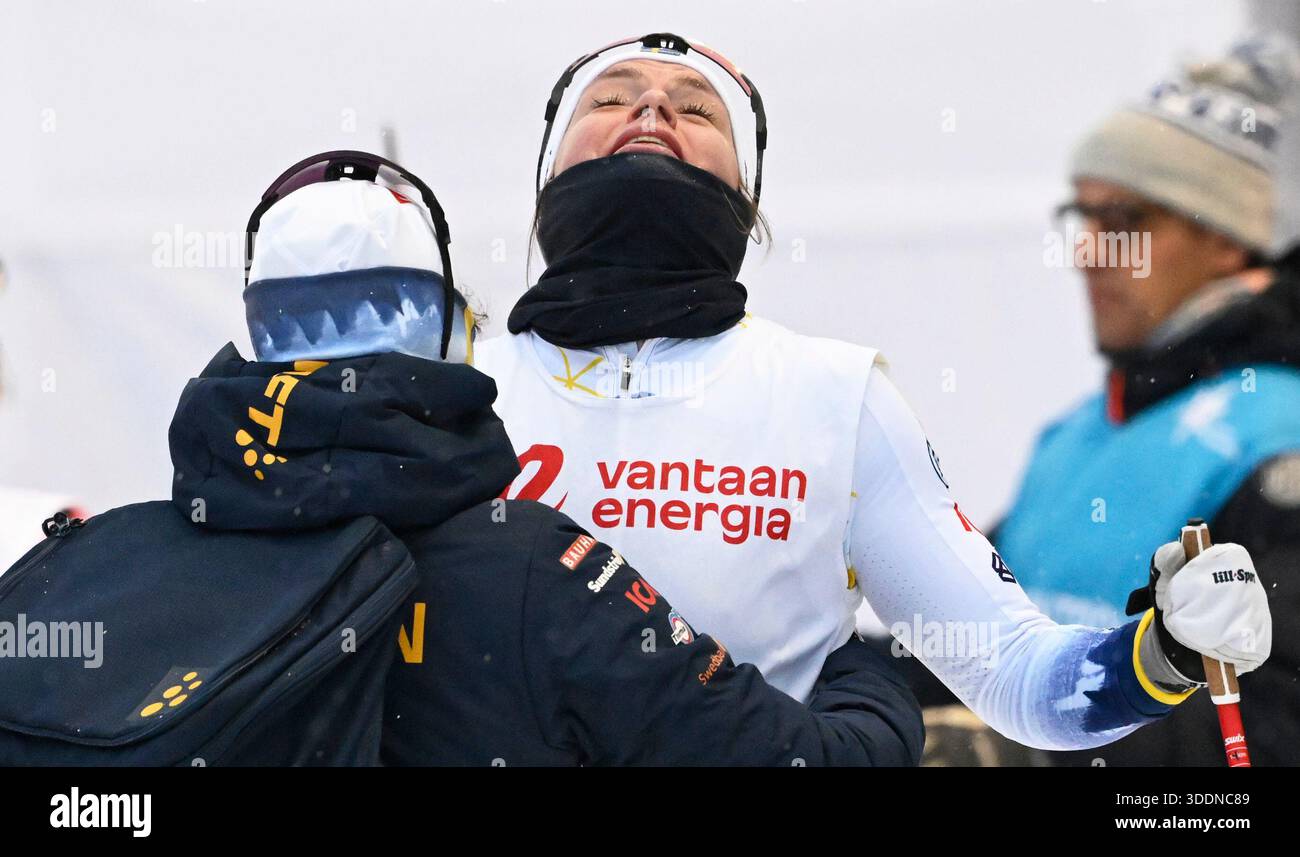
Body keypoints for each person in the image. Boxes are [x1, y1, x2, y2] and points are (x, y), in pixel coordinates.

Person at [473, 32, 1274, 752]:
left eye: (698, 110)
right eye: (610, 98)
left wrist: (1164, 650)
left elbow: (1021, 676)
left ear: (748, 204)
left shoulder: (833, 397)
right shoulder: (459, 380)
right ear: (545, 177)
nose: (650, 106)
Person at [184, 149, 925, 765]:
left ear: (257, 334)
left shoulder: (135, 562)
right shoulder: (530, 568)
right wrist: (867, 674)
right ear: (452, 334)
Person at [993, 37, 1300, 765]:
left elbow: (1270, 729)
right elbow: (964, 637)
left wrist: (1016, 754)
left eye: (1124, 222)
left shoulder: (1279, 444)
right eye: (1083, 217)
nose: (1088, 252)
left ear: (1226, 239)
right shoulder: (1080, 430)